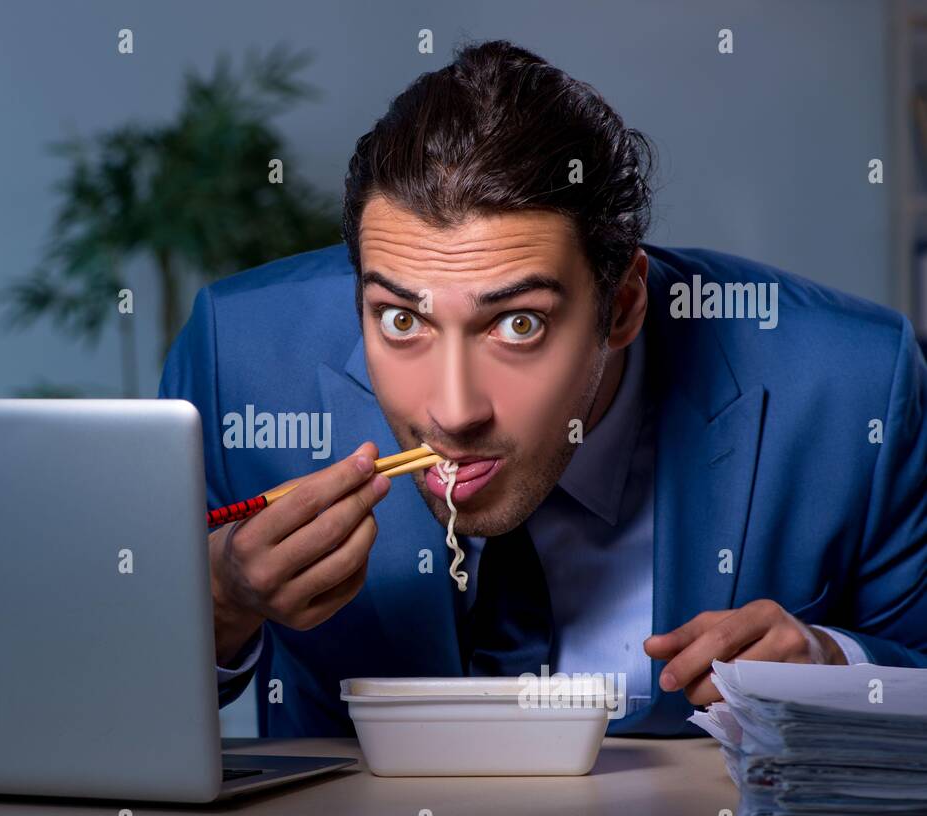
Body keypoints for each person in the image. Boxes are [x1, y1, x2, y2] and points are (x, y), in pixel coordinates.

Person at [158, 39, 927, 737]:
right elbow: (99, 675)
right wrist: (222, 600)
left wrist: (832, 666)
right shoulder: (242, 361)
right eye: (400, 320)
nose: (453, 412)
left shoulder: (851, 384)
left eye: (518, 326)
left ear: (622, 304)